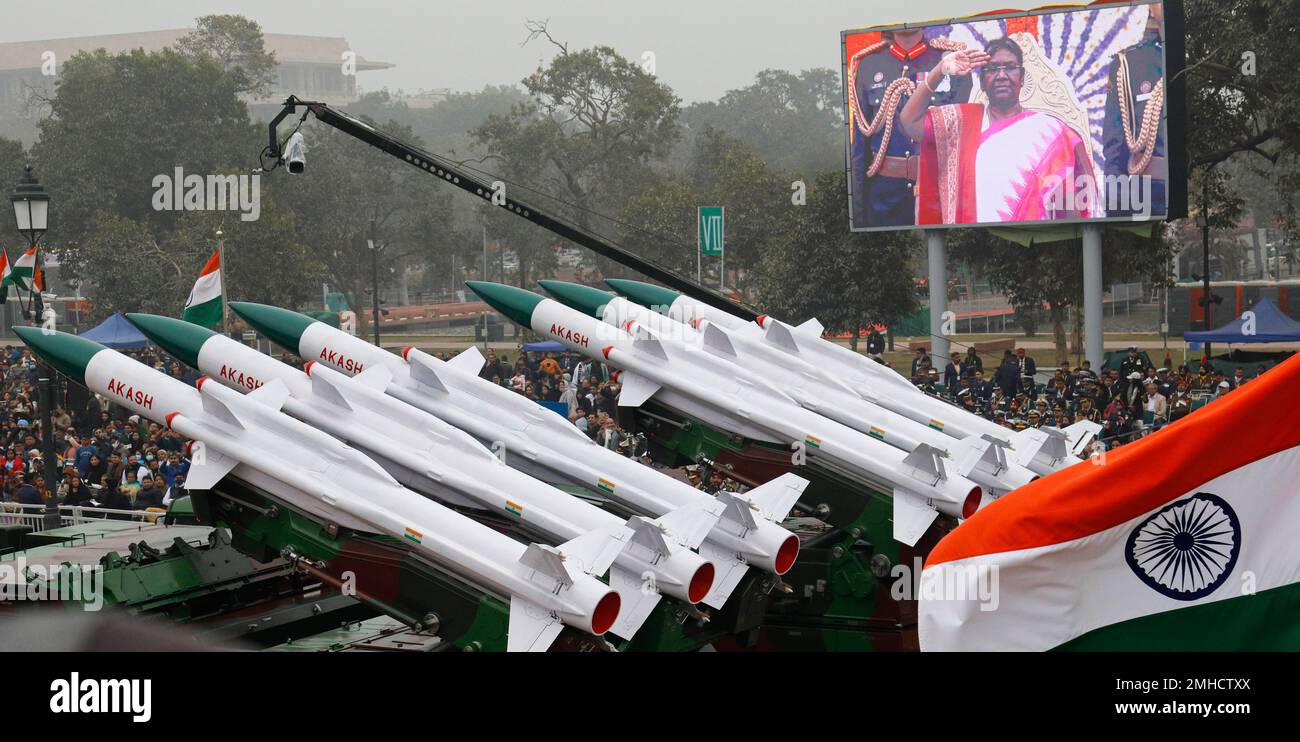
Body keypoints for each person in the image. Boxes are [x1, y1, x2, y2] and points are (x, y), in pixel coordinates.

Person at [901, 37, 1097, 224]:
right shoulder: (962, 122)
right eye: (992, 69)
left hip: (1035, 248)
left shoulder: (1051, 131)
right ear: (982, 81)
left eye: (1010, 68)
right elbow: (910, 122)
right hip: (973, 246)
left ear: (1022, 78)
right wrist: (939, 71)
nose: (1001, 75)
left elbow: (1073, 211)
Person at [848, 29, 975, 228]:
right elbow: (859, 147)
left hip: (936, 194)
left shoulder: (948, 61)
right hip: (883, 198)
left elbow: (960, 136)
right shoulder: (869, 65)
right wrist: (858, 216)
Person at [1102, 3, 1166, 217]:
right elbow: (1115, 148)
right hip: (1149, 198)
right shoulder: (1129, 64)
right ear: (1151, 5)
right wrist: (1116, 207)